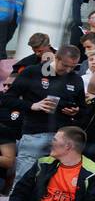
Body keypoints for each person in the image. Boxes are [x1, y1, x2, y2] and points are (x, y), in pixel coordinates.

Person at [0, 127, 95, 201]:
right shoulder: (43, 163)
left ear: (68, 146)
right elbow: (20, 192)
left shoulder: (94, 172)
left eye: (54, 140)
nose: (50, 143)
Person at [10, 44, 85, 180]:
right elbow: (7, 99)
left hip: (62, 138)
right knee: (23, 179)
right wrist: (33, 105)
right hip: (35, 134)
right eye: (65, 65)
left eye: (73, 67)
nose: (68, 70)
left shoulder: (76, 79)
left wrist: (76, 111)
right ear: (56, 58)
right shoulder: (33, 72)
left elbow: (84, 109)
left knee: (52, 182)